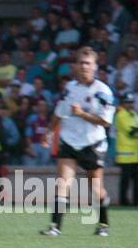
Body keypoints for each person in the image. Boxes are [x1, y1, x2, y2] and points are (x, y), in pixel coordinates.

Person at [41, 47, 116, 237]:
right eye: (81, 63)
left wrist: (82, 114)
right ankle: (55, 227)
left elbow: (106, 121)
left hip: (92, 143)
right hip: (69, 140)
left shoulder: (103, 91)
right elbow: (60, 111)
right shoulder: (70, 88)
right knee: (63, 183)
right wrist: (49, 132)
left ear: (95, 66)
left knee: (96, 188)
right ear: (75, 66)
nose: (84, 66)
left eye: (88, 63)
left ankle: (103, 225)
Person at [113, 92, 138, 206]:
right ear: (123, 103)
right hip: (125, 154)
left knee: (137, 179)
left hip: (135, 154)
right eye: (127, 102)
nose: (130, 105)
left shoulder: (133, 114)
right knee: (125, 180)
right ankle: (123, 201)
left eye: (131, 102)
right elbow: (131, 131)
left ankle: (137, 201)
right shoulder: (121, 115)